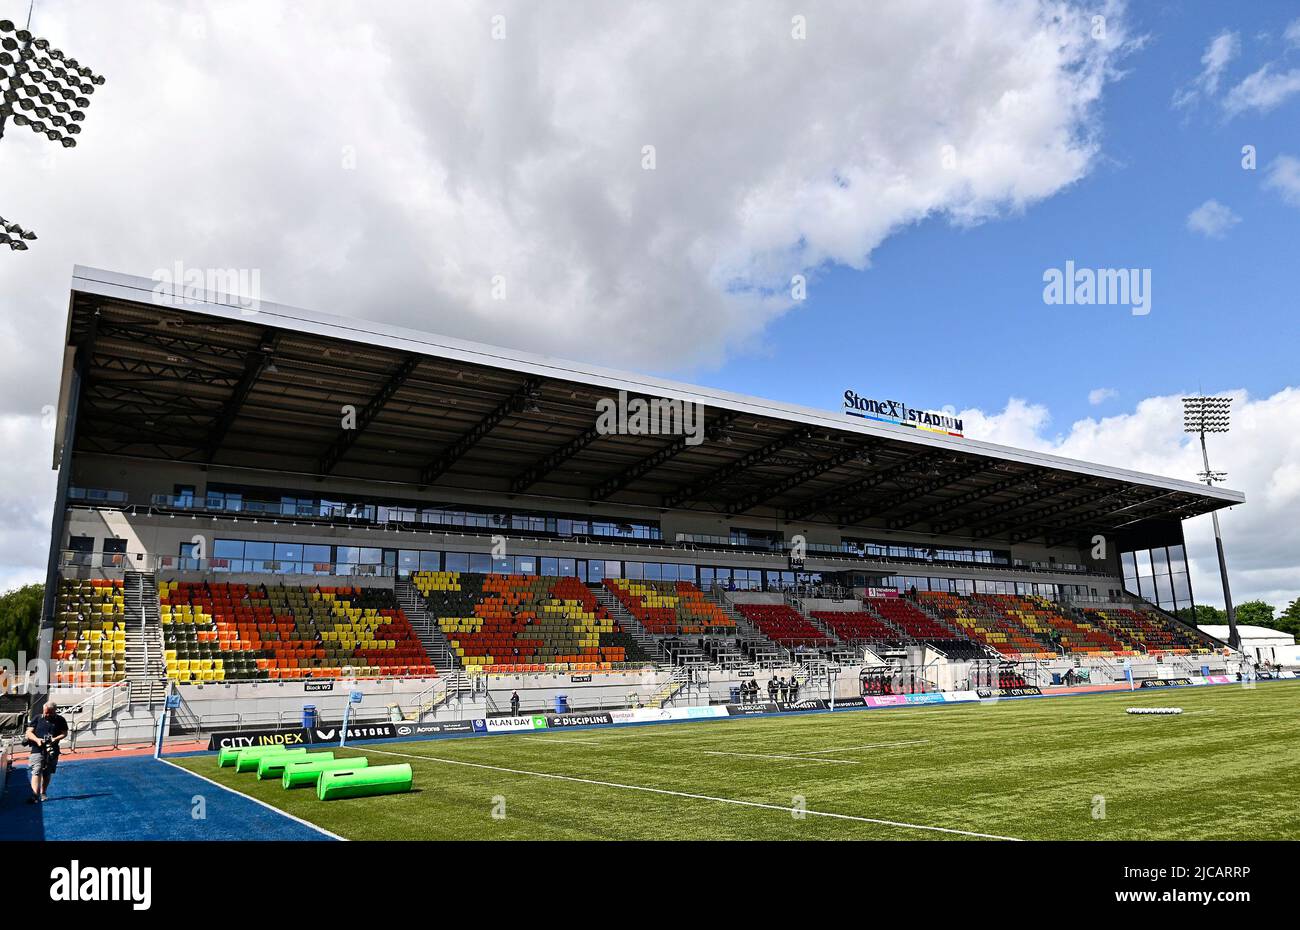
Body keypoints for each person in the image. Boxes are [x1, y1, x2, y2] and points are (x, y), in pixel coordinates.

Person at [25, 701, 69, 804]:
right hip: (37, 749)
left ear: (55, 711)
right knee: (36, 771)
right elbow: (28, 732)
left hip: (52, 750)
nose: (47, 714)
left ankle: (43, 792)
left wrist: (55, 739)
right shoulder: (37, 718)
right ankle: (35, 795)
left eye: (49, 713)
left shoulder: (60, 720)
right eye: (45, 712)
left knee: (47, 773)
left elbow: (65, 733)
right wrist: (37, 740)